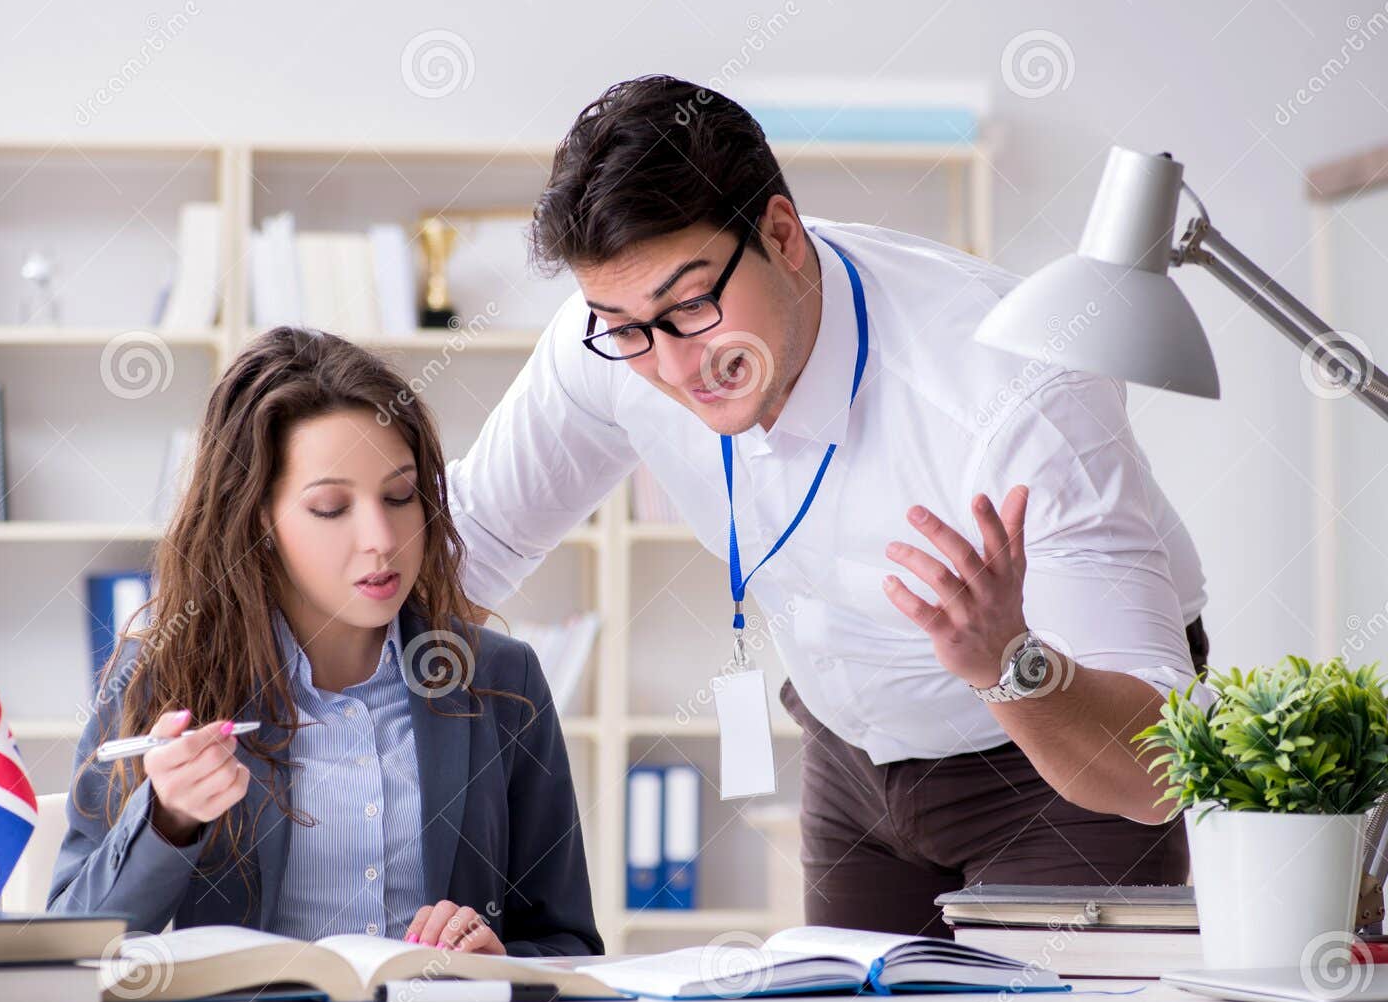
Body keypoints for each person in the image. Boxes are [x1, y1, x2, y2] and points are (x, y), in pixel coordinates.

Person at [448, 75, 1211, 938]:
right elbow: (466, 546)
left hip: (1055, 761)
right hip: (852, 759)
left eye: (691, 306)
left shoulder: (1011, 389)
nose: (668, 366)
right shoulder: (610, 343)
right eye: (624, 327)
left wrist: (1008, 657)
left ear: (781, 234)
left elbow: (1155, 773)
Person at [48, 327, 601, 957]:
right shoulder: (160, 680)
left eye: (400, 496)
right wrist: (168, 821)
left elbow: (570, 945)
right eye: (331, 508)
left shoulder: (502, 681)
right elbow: (72, 945)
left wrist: (499, 964)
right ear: (257, 515)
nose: (381, 538)